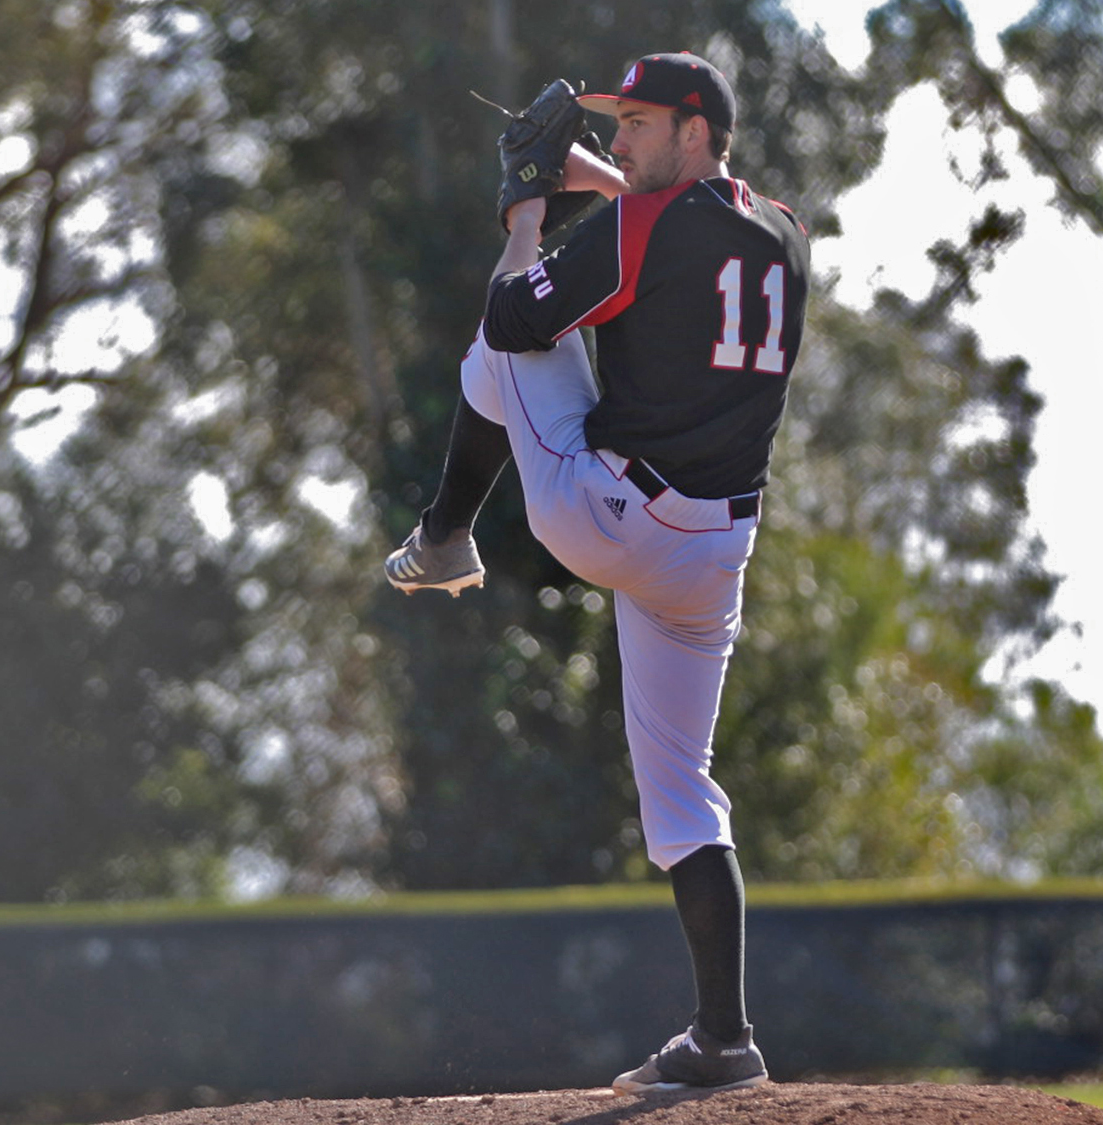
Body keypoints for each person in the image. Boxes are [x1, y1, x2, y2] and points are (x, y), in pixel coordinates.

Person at [381, 52, 809, 1094]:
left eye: (637, 121)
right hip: (715, 553)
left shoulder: (640, 227)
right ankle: (724, 1040)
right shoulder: (788, 233)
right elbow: (683, 233)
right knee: (681, 798)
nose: (617, 136)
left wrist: (526, 207)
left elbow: (517, 315)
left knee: (493, 349)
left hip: (611, 518)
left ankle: (443, 536)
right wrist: (605, 184)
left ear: (696, 126)